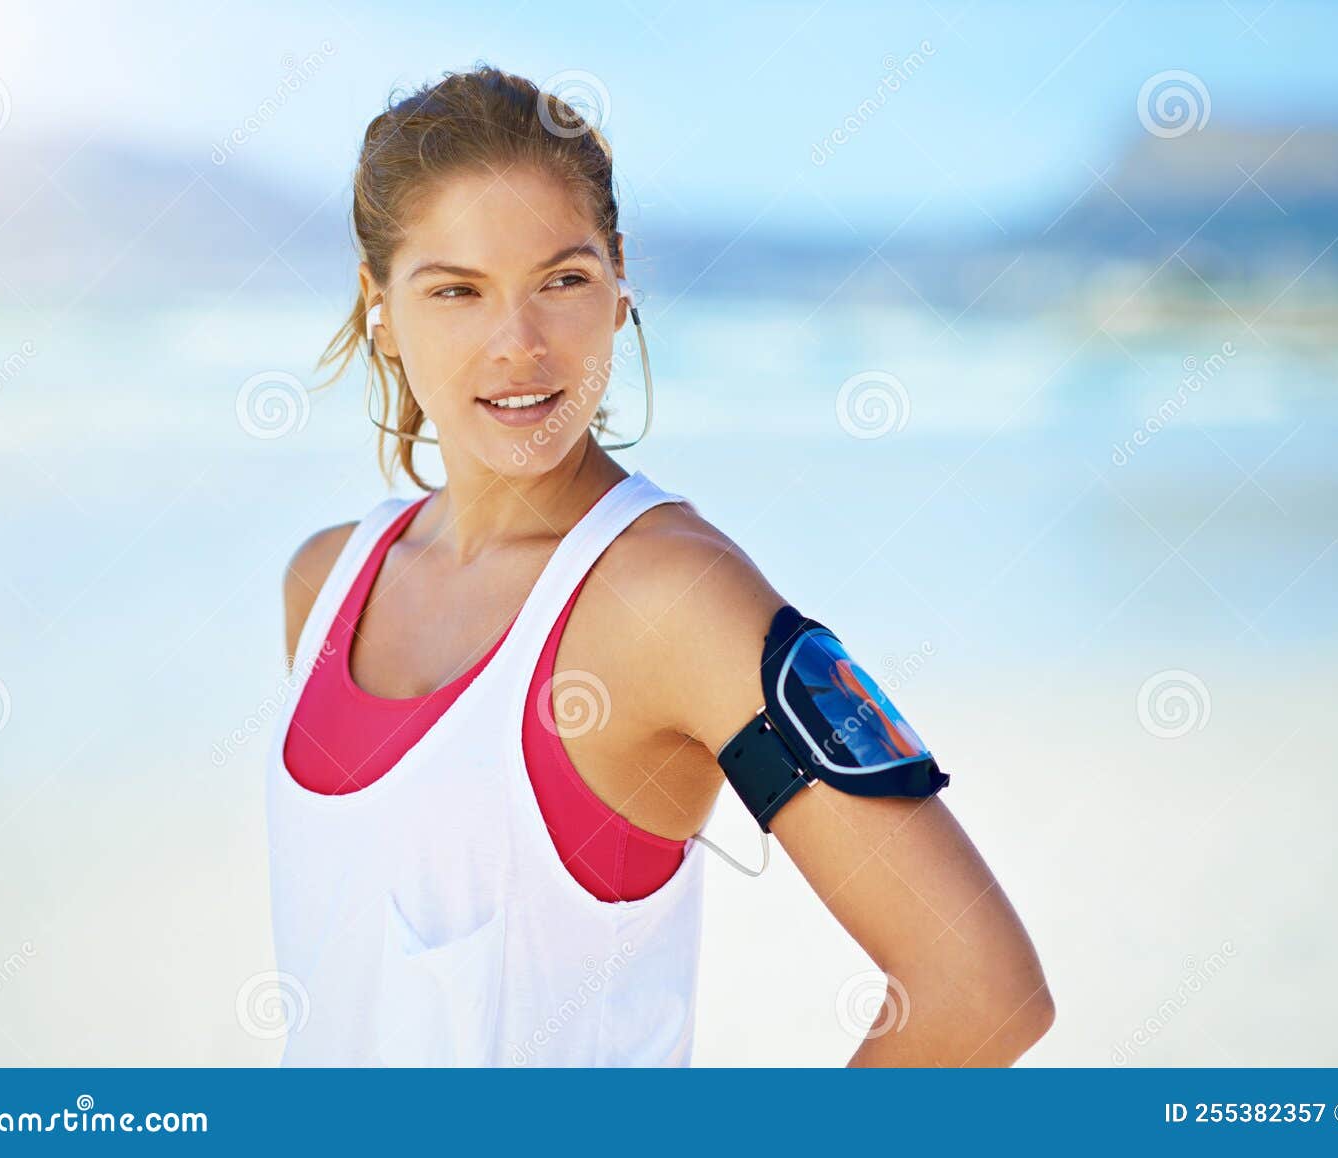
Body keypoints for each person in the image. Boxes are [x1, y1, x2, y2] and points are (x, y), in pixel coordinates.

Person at [266, 63, 1053, 1067]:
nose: (519, 345)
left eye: (561, 280)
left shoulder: (670, 599)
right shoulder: (324, 582)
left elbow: (979, 991)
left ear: (619, 274)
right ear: (379, 302)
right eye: (457, 291)